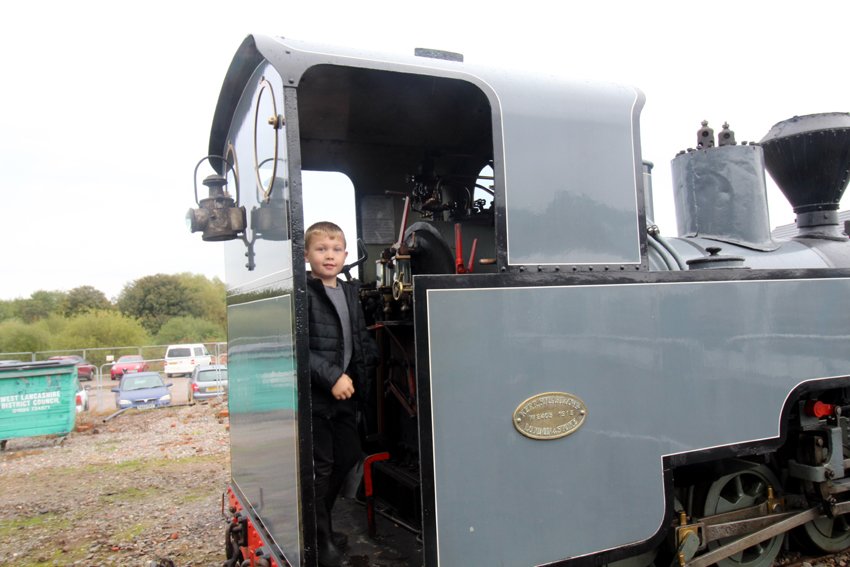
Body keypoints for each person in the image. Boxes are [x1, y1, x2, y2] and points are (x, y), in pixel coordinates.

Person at [305, 221, 378, 567]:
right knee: (322, 466)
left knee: (348, 455)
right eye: (321, 249)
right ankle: (321, 542)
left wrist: (368, 368)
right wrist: (333, 376)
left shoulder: (349, 292)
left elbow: (359, 338)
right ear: (307, 256)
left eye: (336, 250)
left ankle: (321, 524)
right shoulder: (305, 292)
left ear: (346, 255)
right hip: (319, 396)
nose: (329, 256)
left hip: (346, 394)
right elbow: (299, 348)